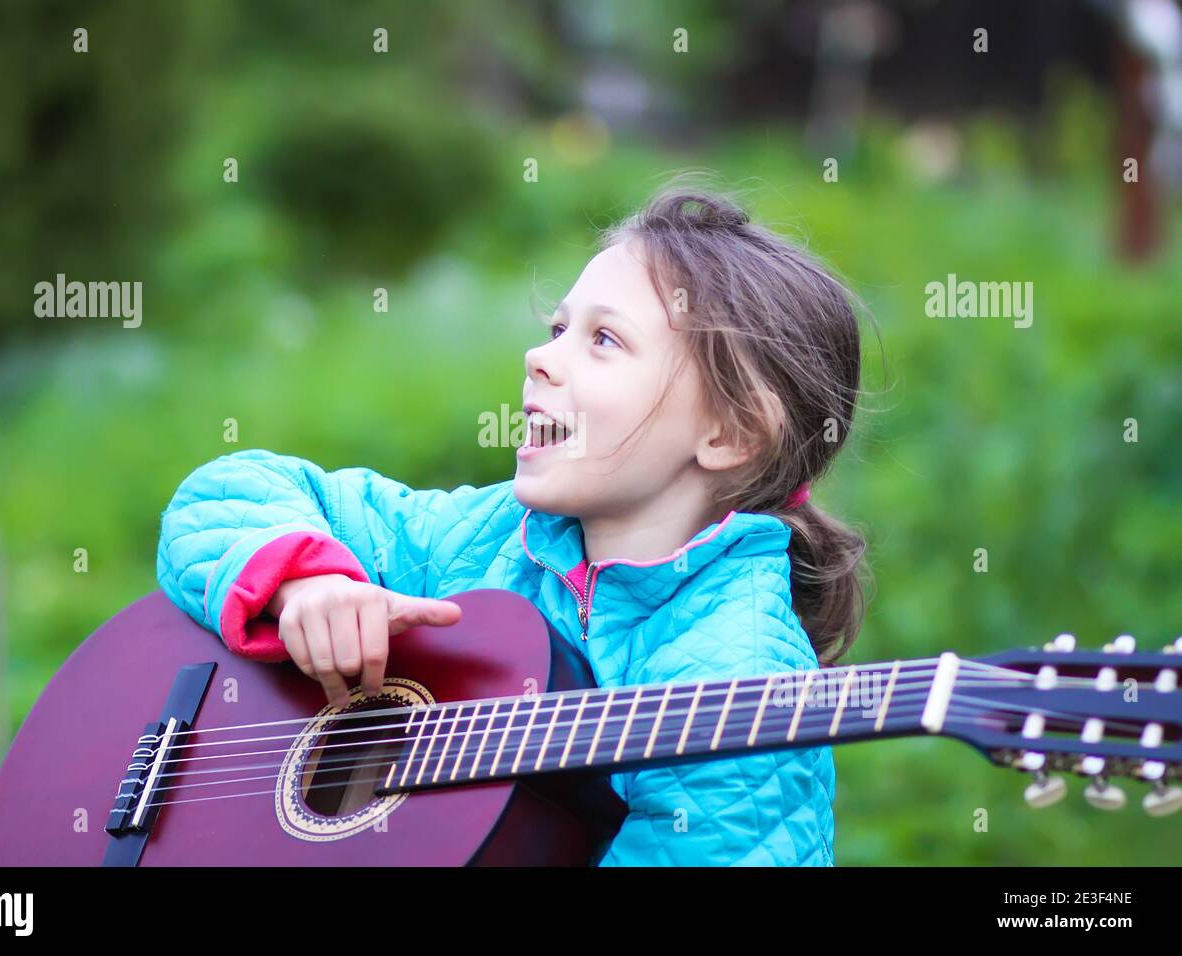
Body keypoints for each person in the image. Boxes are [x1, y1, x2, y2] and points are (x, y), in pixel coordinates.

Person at [156, 178, 870, 865]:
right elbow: (229, 490)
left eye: (604, 341)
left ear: (730, 433)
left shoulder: (736, 679)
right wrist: (302, 585)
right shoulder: (488, 538)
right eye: (559, 327)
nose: (540, 357)